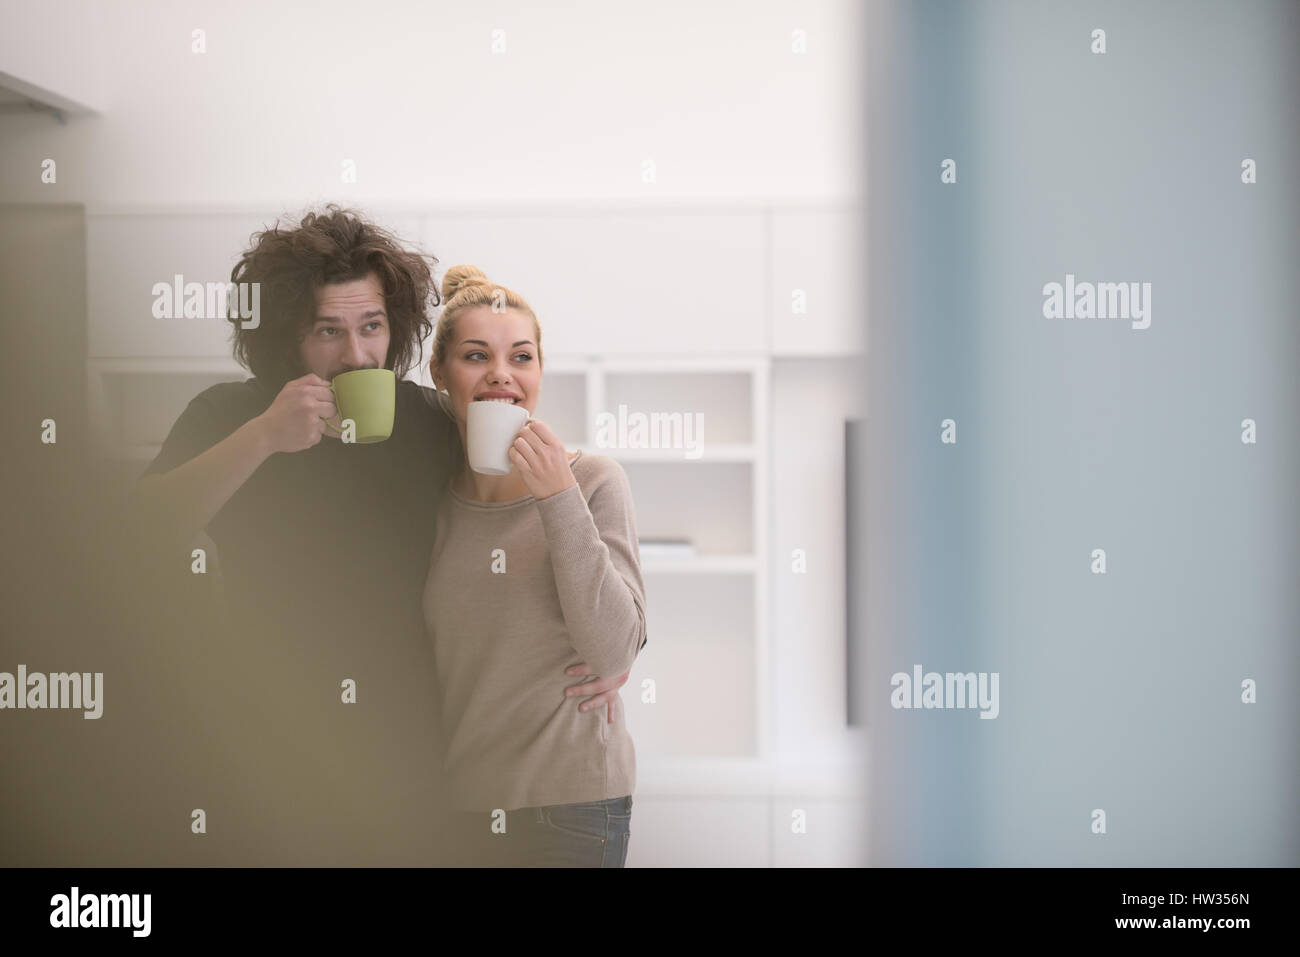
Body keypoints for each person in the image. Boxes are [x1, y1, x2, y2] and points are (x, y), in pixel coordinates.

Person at [128, 206, 628, 865]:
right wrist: (263, 438)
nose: (357, 354)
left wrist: (614, 649)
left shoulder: (426, 423)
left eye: (372, 327)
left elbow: (523, 507)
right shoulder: (230, 414)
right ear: (287, 338)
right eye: (327, 331)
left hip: (416, 778)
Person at [425, 265, 647, 867]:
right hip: (456, 812)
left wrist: (556, 495)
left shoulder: (594, 481)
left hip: (570, 811)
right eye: (476, 356)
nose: (502, 373)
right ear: (440, 375)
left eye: (521, 357)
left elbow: (614, 650)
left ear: (539, 374)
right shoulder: (428, 501)